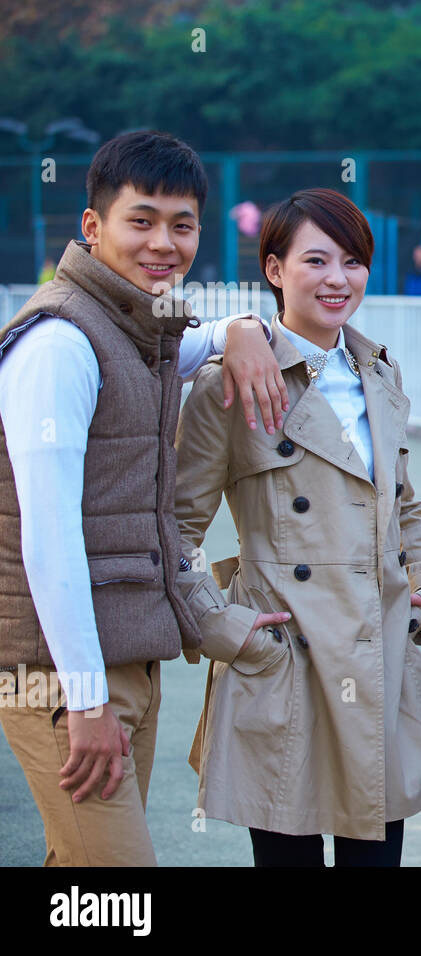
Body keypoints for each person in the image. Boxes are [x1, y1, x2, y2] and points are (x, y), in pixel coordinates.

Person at [0, 129, 284, 867]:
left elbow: (197, 341)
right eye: (142, 220)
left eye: (182, 225)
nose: (164, 242)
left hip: (126, 653)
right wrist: (86, 700)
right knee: (119, 883)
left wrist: (243, 329)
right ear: (93, 228)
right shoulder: (59, 343)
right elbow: (49, 534)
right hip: (59, 673)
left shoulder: (138, 324)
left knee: (81, 869)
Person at [174, 188, 421, 867]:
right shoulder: (228, 383)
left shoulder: (378, 369)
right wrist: (222, 628)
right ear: (275, 270)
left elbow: (404, 504)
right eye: (317, 260)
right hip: (283, 661)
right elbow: (176, 529)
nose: (338, 279)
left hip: (378, 653)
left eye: (353, 261)